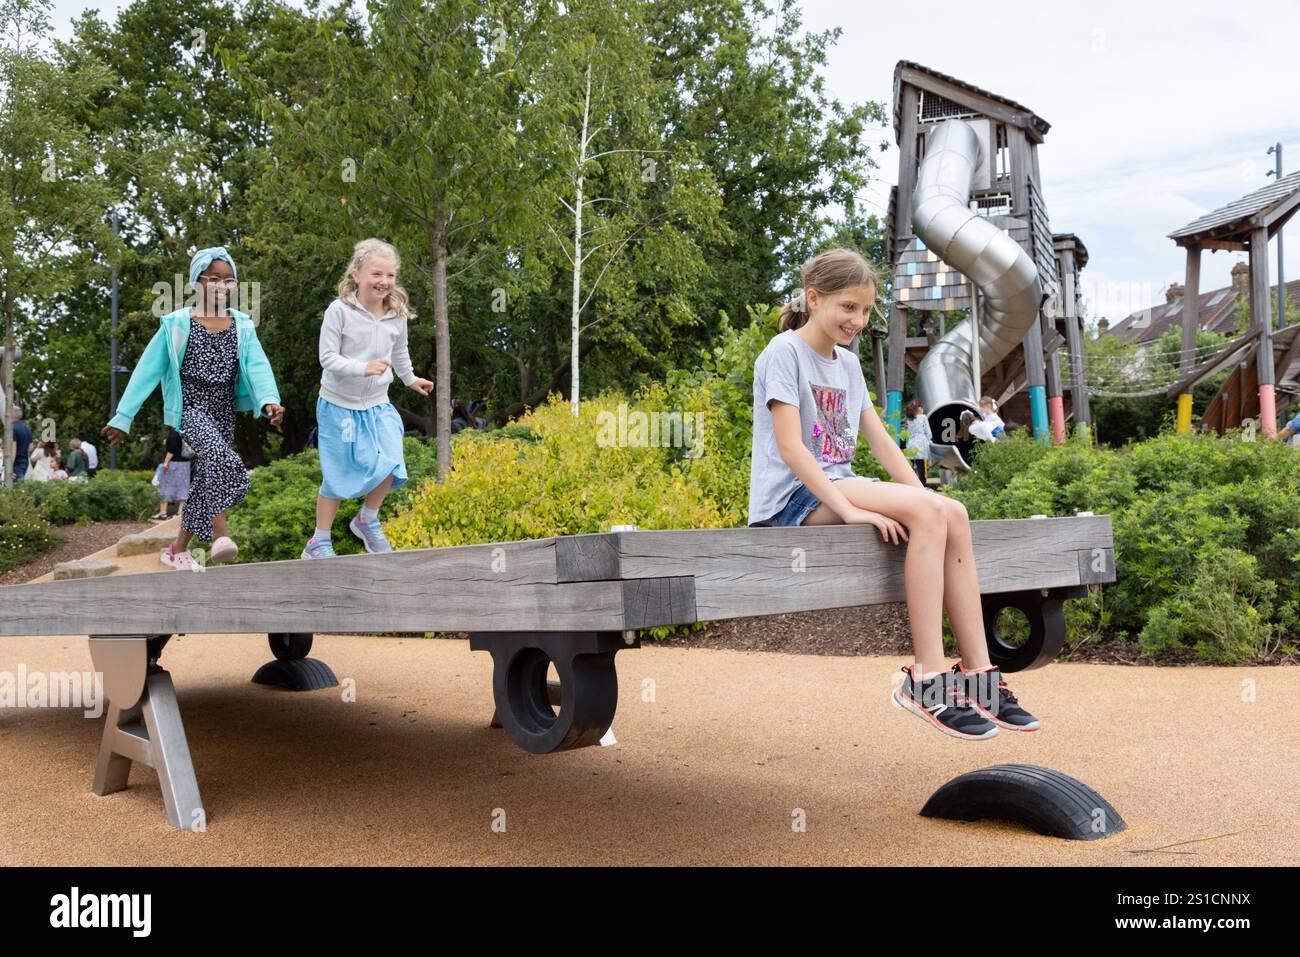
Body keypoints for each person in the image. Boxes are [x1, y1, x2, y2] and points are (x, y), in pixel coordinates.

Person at [747, 247, 1038, 740]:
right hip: (791, 500)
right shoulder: (784, 353)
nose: (857, 320)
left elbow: (880, 440)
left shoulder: (847, 365)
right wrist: (846, 508)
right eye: (848, 307)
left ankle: (980, 675)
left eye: (865, 310)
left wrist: (927, 498)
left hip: (834, 488)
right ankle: (924, 678)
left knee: (954, 512)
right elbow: (793, 449)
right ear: (814, 299)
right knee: (930, 512)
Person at [102, 246, 284, 571]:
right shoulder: (175, 325)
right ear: (196, 282)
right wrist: (123, 417)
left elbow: (258, 366)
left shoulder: (242, 326)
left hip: (223, 413)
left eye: (229, 280)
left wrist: (269, 399)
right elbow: (147, 371)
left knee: (206, 482)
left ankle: (177, 549)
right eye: (213, 278)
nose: (221, 286)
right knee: (225, 464)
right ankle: (221, 534)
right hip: (190, 412)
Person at [301, 238, 433, 559]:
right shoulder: (340, 311)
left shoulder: (396, 313)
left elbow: (399, 352)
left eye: (389, 275)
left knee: (392, 459)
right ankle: (319, 540)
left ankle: (367, 519)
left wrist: (410, 379)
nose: (384, 282)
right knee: (339, 472)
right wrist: (363, 368)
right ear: (357, 274)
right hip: (339, 406)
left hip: (377, 404)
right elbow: (327, 358)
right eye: (376, 274)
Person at [150, 428, 192, 521]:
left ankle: (163, 513)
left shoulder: (175, 432)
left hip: (173, 463)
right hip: (185, 463)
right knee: (183, 487)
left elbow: (171, 450)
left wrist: (165, 462)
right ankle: (180, 513)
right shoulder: (187, 430)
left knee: (164, 486)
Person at [903, 399, 932, 485]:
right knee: (922, 469)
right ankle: (922, 486)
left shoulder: (909, 419)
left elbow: (907, 433)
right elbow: (929, 434)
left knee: (913, 468)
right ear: (919, 408)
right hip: (921, 446)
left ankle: (913, 486)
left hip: (911, 445)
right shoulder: (923, 417)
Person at [8, 404, 32, 481]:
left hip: (15, 462)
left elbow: (13, 449)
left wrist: (9, 466)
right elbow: (31, 447)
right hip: (24, 460)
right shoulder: (27, 428)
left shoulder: (11, 428)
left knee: (17, 486)